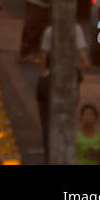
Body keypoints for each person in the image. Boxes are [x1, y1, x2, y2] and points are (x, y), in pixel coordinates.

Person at [36, 19, 88, 154]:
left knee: (47, 117)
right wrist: (85, 62)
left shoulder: (50, 30)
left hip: (53, 78)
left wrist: (42, 76)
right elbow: (81, 50)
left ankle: (52, 149)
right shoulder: (75, 29)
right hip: (67, 78)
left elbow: (43, 54)